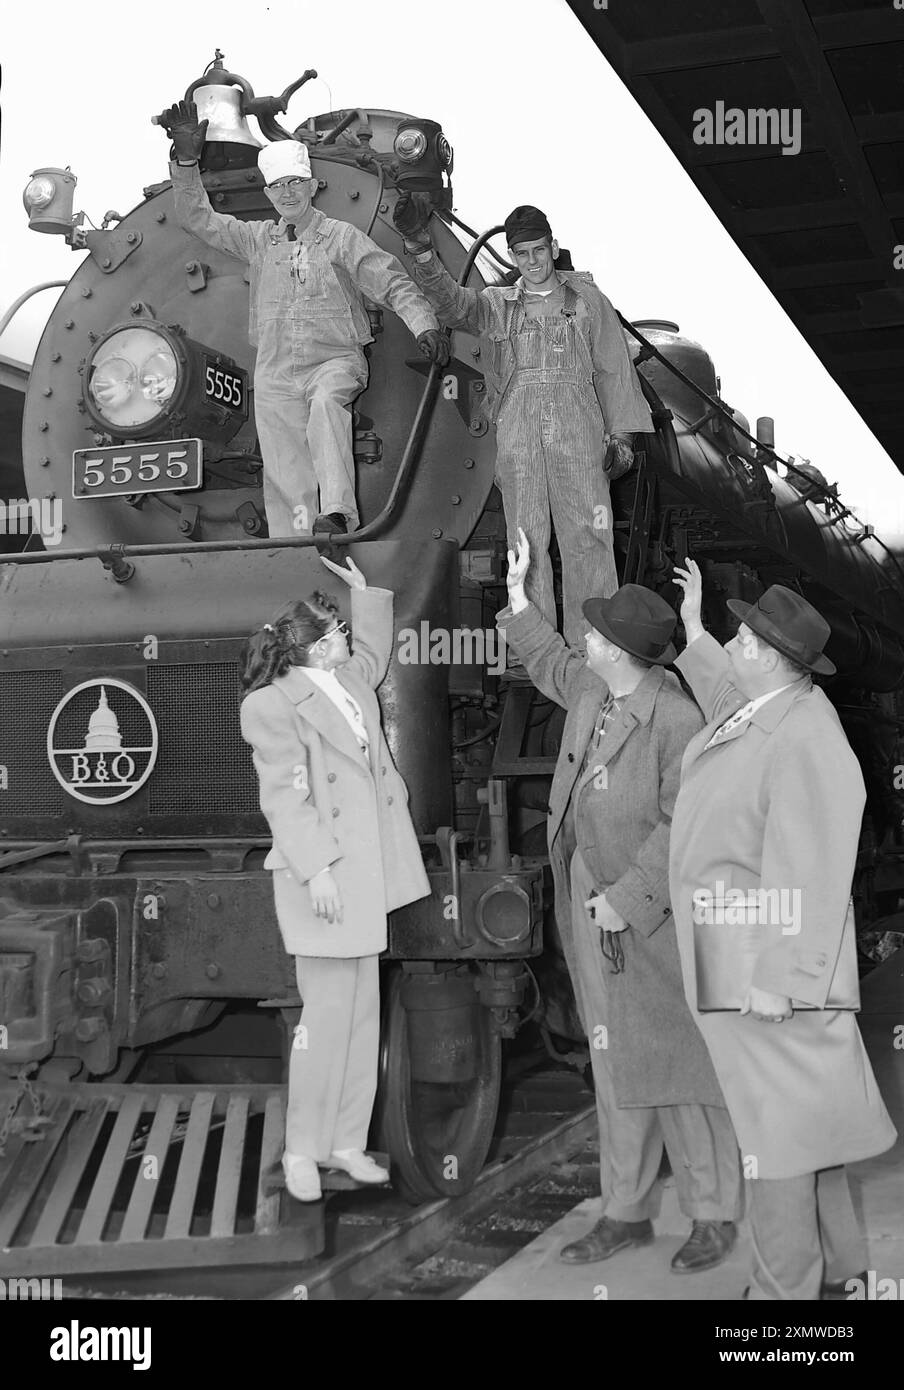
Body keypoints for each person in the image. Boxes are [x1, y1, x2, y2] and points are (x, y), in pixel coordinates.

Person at [497, 528, 741, 1270]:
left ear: (617, 648)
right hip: (588, 901)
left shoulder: (677, 717)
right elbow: (548, 660)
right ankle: (626, 1209)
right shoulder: (595, 689)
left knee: (680, 1062)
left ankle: (714, 1214)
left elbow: (684, 823)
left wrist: (627, 898)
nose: (584, 638)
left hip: (651, 910)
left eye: (593, 631)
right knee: (614, 1061)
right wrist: (517, 601)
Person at [670, 560, 897, 1299]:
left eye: (740, 638)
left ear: (770, 656)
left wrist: (779, 979)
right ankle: (843, 1276)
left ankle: (782, 1301)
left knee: (777, 1148)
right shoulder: (764, 705)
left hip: (767, 974)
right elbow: (725, 693)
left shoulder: (806, 734)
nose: (734, 646)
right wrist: (697, 630)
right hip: (739, 960)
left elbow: (812, 865)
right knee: (810, 1131)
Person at [159, 101, 449, 540]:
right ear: (269, 194)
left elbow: (392, 283)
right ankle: (293, 543)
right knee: (282, 461)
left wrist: (423, 323)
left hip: (333, 360)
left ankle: (336, 514)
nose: (288, 193)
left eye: (296, 183)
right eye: (279, 186)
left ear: (312, 186)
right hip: (275, 369)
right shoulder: (257, 240)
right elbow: (199, 220)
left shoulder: (341, 238)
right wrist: (185, 162)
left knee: (327, 407)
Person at [240, 554, 430, 1202]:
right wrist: (317, 868)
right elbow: (284, 800)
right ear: (313, 649)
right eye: (337, 634)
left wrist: (364, 593)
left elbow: (375, 652)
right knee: (322, 1023)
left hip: (363, 878)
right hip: (321, 880)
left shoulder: (346, 681)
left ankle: (346, 1142)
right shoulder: (271, 706)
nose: (347, 641)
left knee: (360, 1021)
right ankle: (302, 1151)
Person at [396, 196, 653, 646]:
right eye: (522, 253)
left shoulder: (589, 301)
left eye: (539, 249)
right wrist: (421, 250)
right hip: (519, 437)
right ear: (513, 257)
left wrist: (623, 439)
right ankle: (535, 646)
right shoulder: (497, 304)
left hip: (579, 435)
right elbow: (451, 305)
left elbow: (615, 370)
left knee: (589, 539)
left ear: (553, 247)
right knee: (525, 545)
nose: (532, 261)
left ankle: (598, 647)